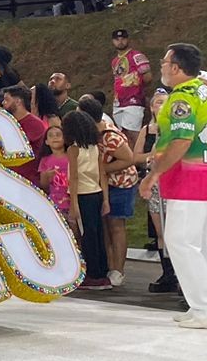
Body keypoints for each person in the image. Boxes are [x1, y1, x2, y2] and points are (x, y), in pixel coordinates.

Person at [140, 43, 207, 328]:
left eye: (164, 61)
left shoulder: (183, 97)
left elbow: (181, 140)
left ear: (176, 67)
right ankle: (203, 302)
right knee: (202, 242)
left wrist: (153, 174)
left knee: (179, 240)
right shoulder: (206, 91)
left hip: (190, 177)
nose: (162, 66)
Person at [79, 94, 140, 286]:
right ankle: (108, 264)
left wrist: (104, 169)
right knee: (104, 226)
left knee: (116, 225)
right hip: (102, 184)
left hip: (120, 184)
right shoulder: (92, 136)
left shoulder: (109, 136)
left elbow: (129, 158)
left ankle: (118, 270)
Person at [135, 88, 177, 292]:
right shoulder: (147, 130)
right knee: (161, 230)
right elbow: (136, 156)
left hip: (174, 182)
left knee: (176, 229)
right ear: (152, 107)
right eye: (157, 102)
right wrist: (151, 156)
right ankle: (167, 272)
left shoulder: (175, 128)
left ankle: (181, 271)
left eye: (165, 102)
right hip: (155, 184)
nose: (161, 106)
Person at [63, 109, 109, 289]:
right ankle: (102, 271)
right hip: (96, 193)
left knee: (87, 234)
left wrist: (73, 204)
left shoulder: (73, 149)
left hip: (82, 194)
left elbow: (73, 178)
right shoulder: (94, 147)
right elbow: (102, 174)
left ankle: (93, 274)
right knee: (97, 232)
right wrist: (105, 199)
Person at [1, 85, 47, 185]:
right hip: (10, 179)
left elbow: (15, 145)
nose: (3, 103)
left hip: (27, 181)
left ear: (18, 101)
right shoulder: (9, 122)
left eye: (6, 100)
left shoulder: (34, 124)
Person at [110, 28, 152, 132]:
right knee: (124, 135)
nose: (120, 41)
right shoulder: (115, 61)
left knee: (133, 133)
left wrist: (136, 87)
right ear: (113, 41)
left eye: (123, 38)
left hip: (134, 100)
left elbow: (148, 77)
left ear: (128, 39)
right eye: (117, 39)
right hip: (118, 102)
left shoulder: (137, 56)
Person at [38, 124, 71, 228]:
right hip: (55, 201)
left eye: (58, 135)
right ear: (46, 142)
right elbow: (43, 185)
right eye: (51, 136)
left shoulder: (71, 157)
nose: (55, 137)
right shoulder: (45, 160)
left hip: (71, 200)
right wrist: (47, 176)